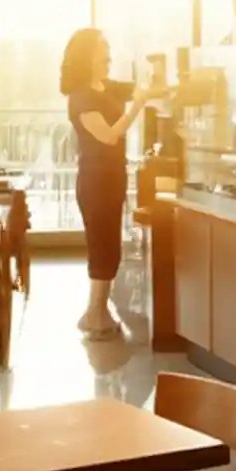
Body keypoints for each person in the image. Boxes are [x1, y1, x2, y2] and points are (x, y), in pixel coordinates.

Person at [60, 28, 153, 339]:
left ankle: (95, 311)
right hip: (95, 180)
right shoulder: (81, 98)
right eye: (104, 51)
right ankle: (94, 313)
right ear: (88, 57)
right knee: (102, 246)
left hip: (113, 177)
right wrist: (137, 105)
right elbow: (110, 135)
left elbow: (142, 88)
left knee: (110, 247)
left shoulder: (106, 87)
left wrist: (156, 86)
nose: (109, 57)